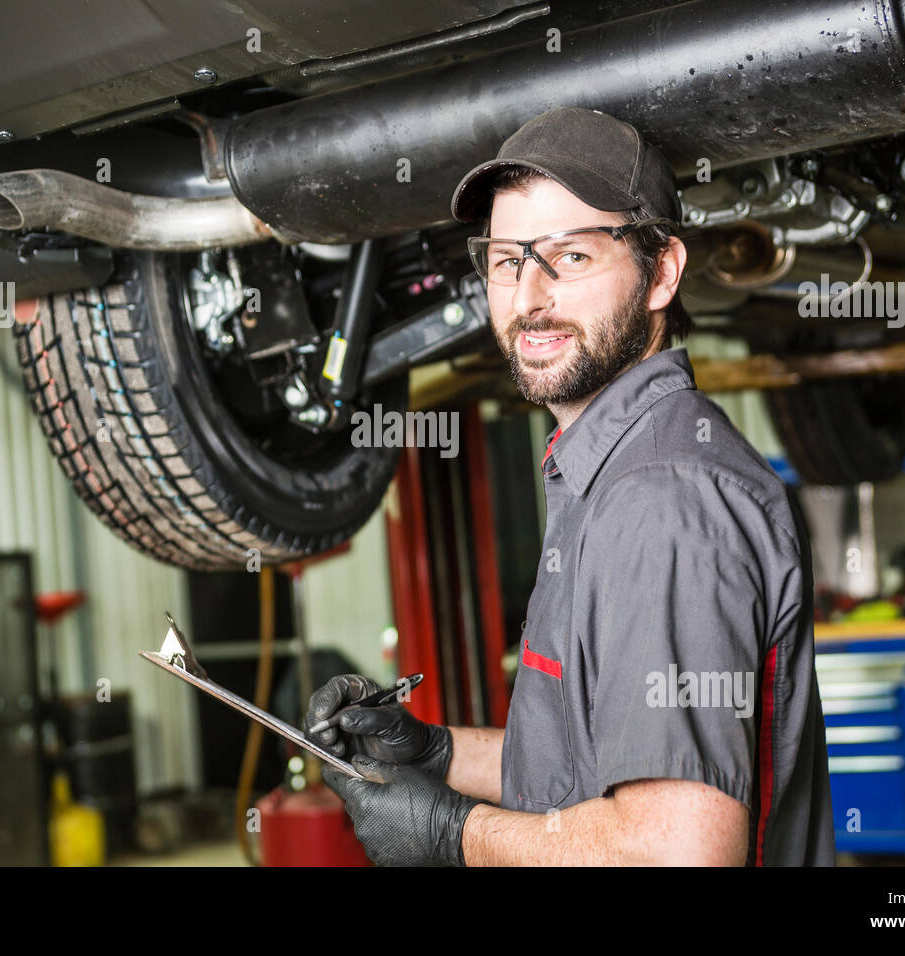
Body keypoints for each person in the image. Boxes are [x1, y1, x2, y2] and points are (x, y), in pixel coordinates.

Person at [307, 106, 835, 866]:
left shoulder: (664, 501)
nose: (530, 297)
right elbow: (586, 766)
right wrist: (436, 754)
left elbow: (676, 851)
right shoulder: (610, 470)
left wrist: (456, 835)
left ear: (662, 273)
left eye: (572, 257)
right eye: (505, 261)